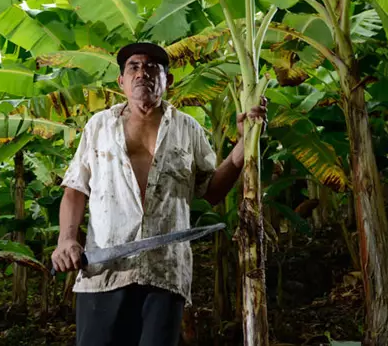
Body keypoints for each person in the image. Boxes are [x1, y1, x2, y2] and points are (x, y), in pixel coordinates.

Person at [51, 42, 267, 346]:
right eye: (134, 67)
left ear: (169, 80)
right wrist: (66, 240)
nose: (142, 73)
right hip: (105, 271)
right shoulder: (99, 126)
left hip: (166, 272)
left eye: (152, 67)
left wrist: (242, 148)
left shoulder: (188, 129)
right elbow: (75, 188)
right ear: (121, 81)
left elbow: (210, 191)